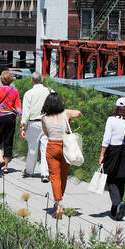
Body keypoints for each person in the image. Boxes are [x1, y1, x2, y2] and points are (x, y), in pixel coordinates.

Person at [41, 91, 83, 220]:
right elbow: (79, 114)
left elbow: (46, 133)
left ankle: (58, 204)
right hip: (65, 146)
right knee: (63, 176)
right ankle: (59, 201)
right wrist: (68, 117)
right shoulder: (66, 113)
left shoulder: (44, 118)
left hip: (52, 146)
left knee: (54, 177)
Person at [99, 96, 125, 221]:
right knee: (121, 179)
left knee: (111, 178)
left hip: (113, 150)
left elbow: (106, 138)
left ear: (116, 108)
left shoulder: (111, 120)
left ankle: (118, 203)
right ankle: (116, 208)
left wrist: (102, 154)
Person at [0, 70, 22, 174]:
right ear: (11, 80)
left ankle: (0, 159)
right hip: (10, 118)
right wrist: (22, 121)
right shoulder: (15, 91)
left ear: (1, 79)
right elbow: (18, 108)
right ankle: (6, 167)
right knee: (8, 142)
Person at [20, 76, 51, 179]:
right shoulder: (50, 91)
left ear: (32, 81)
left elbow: (26, 111)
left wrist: (23, 125)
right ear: (42, 80)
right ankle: (45, 173)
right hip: (46, 122)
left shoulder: (28, 93)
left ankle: (29, 171)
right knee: (45, 148)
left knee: (32, 148)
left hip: (33, 122)